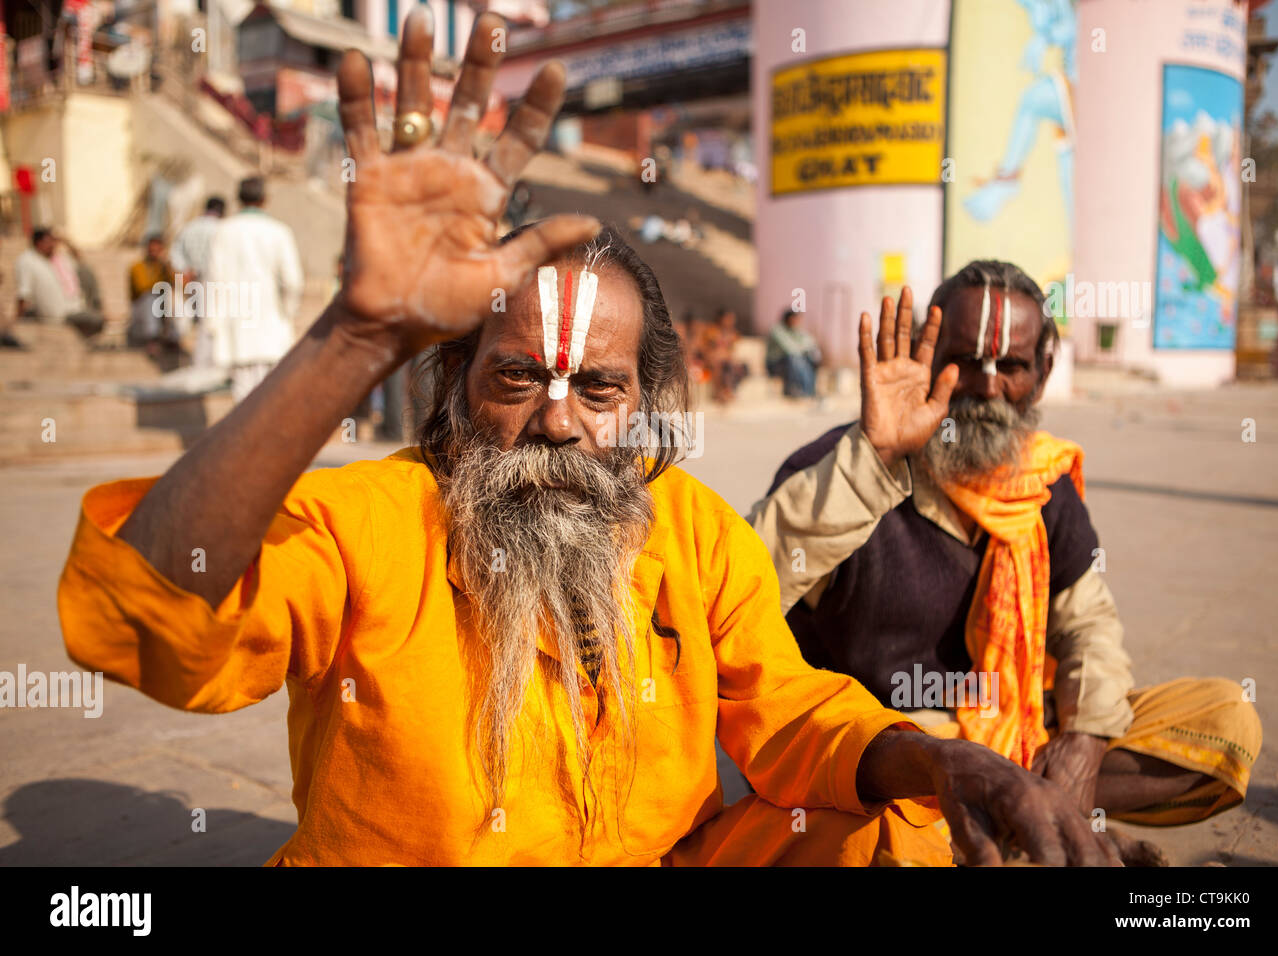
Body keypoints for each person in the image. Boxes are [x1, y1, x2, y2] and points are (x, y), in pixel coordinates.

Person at [57, 11, 1119, 867]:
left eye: (597, 387)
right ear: (456, 384)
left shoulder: (691, 536)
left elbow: (795, 716)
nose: (558, 418)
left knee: (904, 832)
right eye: (517, 374)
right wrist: (355, 336)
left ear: (644, 400)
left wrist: (947, 766)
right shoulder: (370, 522)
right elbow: (147, 622)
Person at [748, 261, 1263, 865]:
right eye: (965, 361)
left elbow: (1089, 626)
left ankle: (1024, 814)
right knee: (871, 838)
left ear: (1041, 376)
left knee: (1225, 721)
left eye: (1010, 366)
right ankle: (1037, 827)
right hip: (894, 755)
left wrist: (1083, 745)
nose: (987, 388)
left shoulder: (1043, 484)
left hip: (1023, 730)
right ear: (925, 354)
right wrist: (875, 460)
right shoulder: (845, 464)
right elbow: (742, 596)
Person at [205, 175, 303, 402]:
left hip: (236, 326)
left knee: (243, 398)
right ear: (265, 199)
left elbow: (213, 280)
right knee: (272, 397)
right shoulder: (279, 232)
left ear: (238, 199)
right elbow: (293, 281)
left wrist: (213, 322)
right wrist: (286, 313)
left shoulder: (223, 232)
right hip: (271, 327)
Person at [13, 228, 105, 338]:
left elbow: (79, 259)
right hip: (59, 314)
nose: (53, 245)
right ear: (39, 243)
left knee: (86, 272)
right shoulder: (28, 261)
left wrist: (67, 242)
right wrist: (17, 321)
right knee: (96, 320)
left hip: (75, 307)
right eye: (49, 242)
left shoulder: (57, 258)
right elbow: (24, 292)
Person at [170, 196, 226, 364]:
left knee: (194, 319)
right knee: (209, 324)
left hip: (191, 279)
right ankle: (202, 364)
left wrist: (184, 272)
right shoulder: (222, 229)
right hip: (214, 281)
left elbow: (175, 254)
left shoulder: (189, 228)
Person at [126, 234, 175, 352]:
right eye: (152, 249)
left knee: (173, 299)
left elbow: (174, 282)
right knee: (150, 298)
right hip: (141, 311)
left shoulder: (163, 266)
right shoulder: (137, 267)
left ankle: (173, 338)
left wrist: (165, 266)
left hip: (160, 311)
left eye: (158, 250)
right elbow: (143, 287)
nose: (154, 252)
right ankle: (152, 338)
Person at [765, 307, 820, 397]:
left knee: (812, 357)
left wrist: (808, 350)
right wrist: (803, 349)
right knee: (794, 358)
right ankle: (796, 389)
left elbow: (811, 343)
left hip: (792, 361)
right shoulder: (777, 330)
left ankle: (810, 390)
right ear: (789, 319)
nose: (798, 322)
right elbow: (790, 349)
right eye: (795, 319)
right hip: (774, 364)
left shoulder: (796, 330)